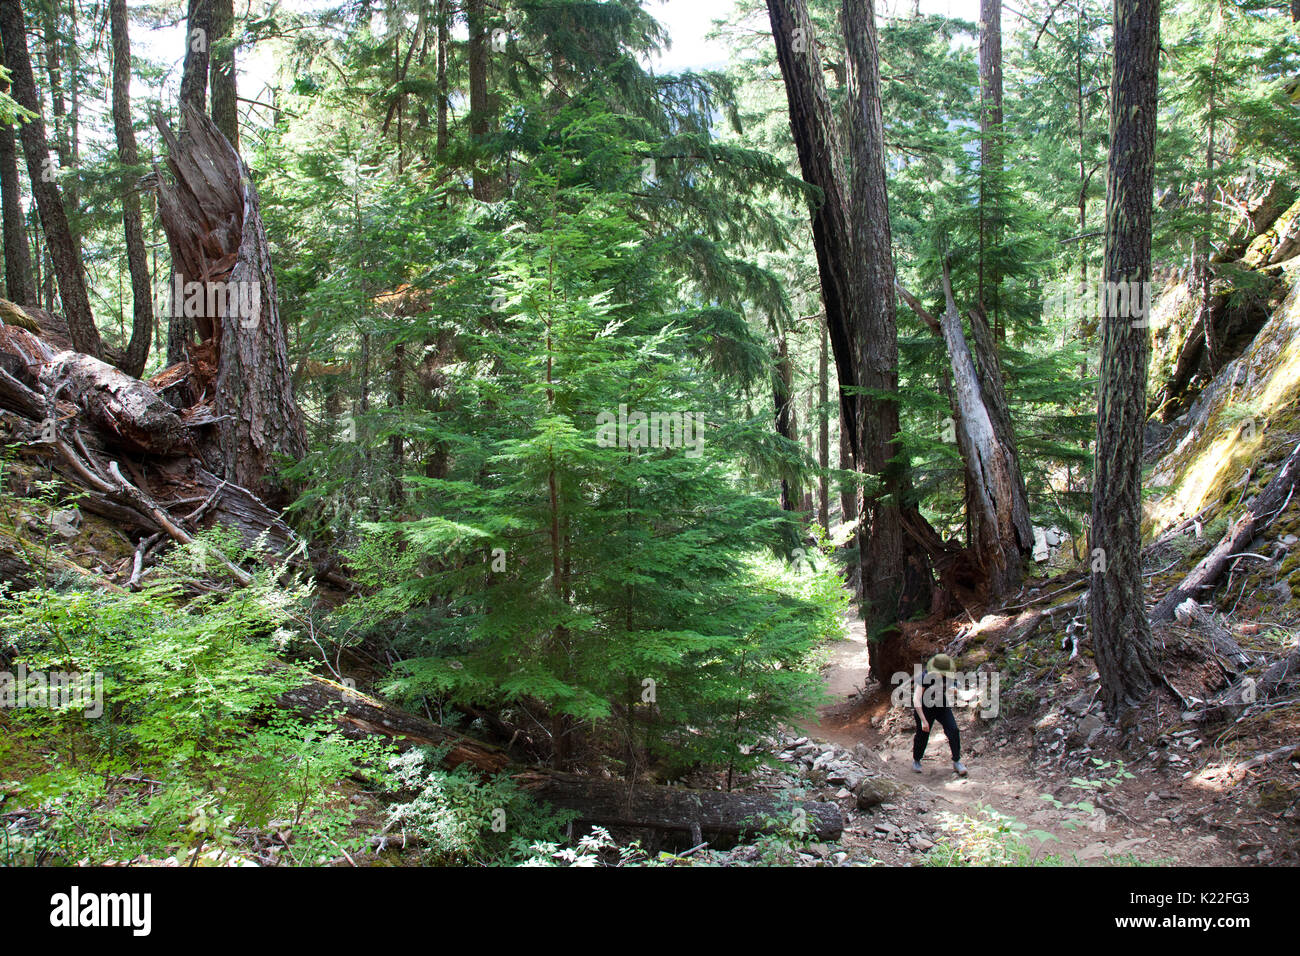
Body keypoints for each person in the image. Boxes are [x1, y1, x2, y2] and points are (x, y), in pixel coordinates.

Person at [911, 653, 967, 776]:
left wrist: (956, 691)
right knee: (922, 734)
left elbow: (954, 686)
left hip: (941, 705)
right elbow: (916, 699)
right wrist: (923, 720)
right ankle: (916, 759)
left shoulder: (948, 676)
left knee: (953, 730)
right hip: (924, 707)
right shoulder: (925, 677)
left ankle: (957, 761)